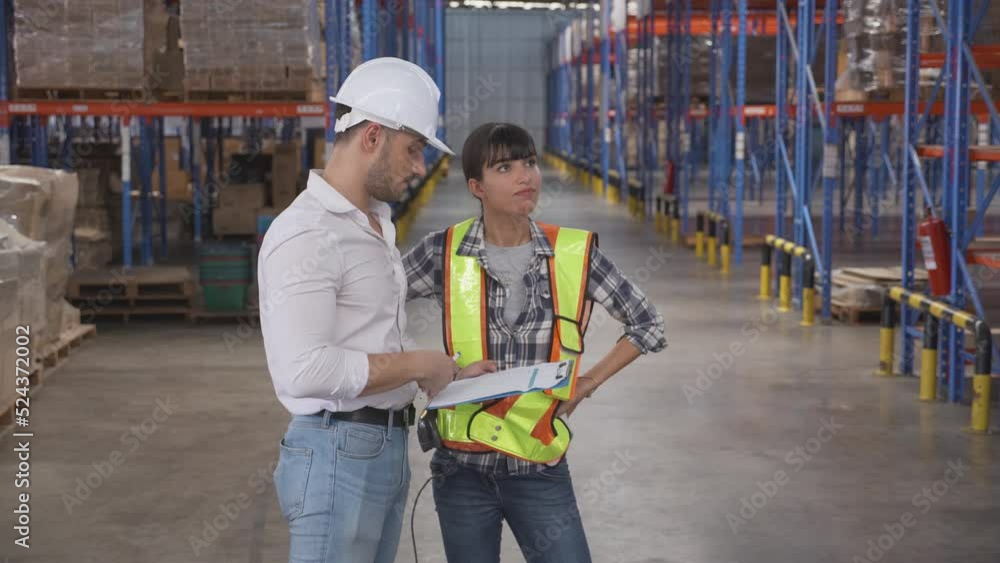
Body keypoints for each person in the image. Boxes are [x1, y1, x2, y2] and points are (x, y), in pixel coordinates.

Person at [258, 57, 495, 563]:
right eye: (412, 150)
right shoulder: (309, 234)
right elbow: (304, 370)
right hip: (334, 452)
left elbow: (368, 345)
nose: (418, 166)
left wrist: (446, 374)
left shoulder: (372, 225)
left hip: (378, 447)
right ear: (371, 136)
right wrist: (417, 363)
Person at [403, 122, 667, 563]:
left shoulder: (573, 254)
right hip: (461, 471)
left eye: (529, 163)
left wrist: (589, 381)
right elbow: (369, 308)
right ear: (476, 187)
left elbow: (648, 325)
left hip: (539, 469)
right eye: (505, 167)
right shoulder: (441, 253)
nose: (525, 176)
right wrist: (427, 368)